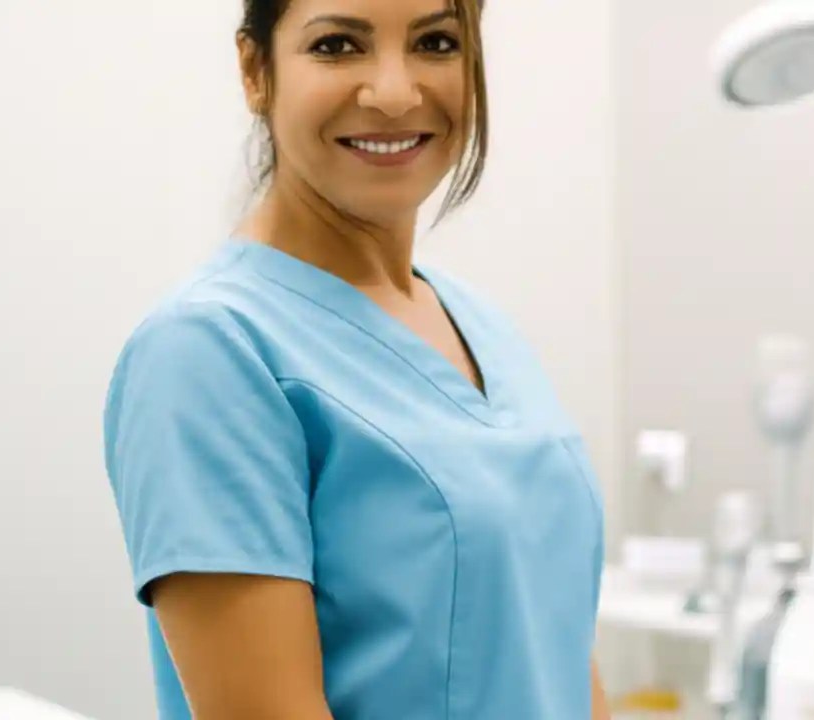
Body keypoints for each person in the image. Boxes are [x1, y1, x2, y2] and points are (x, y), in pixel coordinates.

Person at [101, 0, 610, 718]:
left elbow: (553, 647)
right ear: (256, 70)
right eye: (339, 45)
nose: (396, 93)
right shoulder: (208, 354)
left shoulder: (478, 322)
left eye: (436, 41)